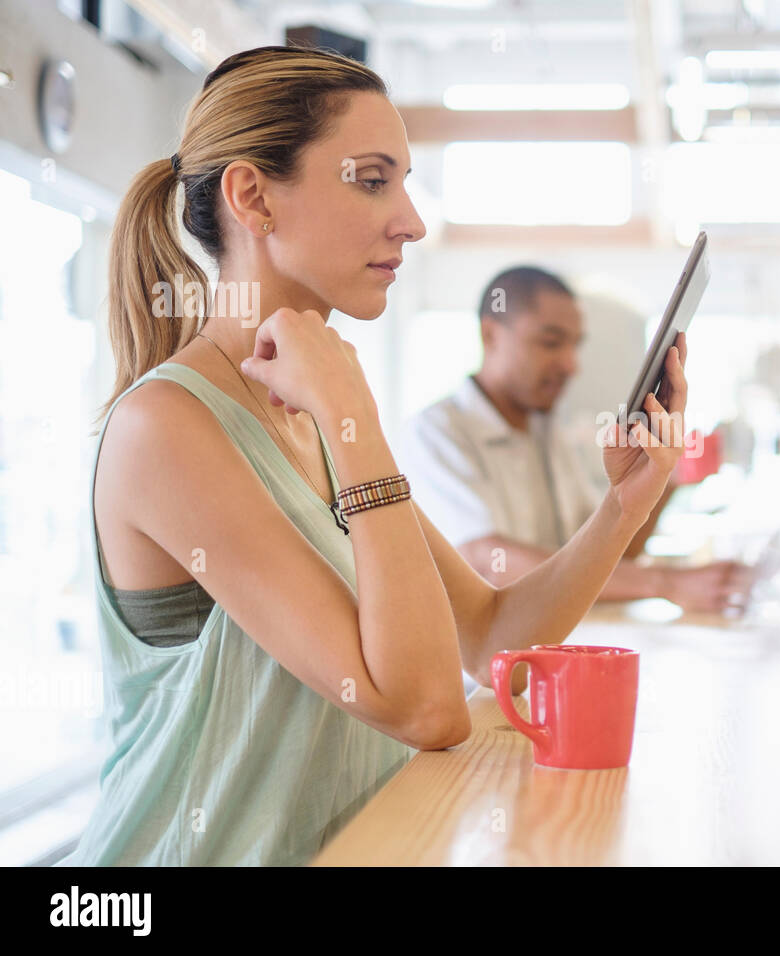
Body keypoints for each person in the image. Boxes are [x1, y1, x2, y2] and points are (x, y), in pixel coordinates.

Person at [61, 45, 693, 866]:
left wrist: (625, 508)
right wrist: (351, 410)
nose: (412, 219)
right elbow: (428, 708)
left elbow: (495, 636)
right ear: (253, 197)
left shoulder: (316, 415)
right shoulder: (167, 428)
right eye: (371, 179)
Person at [398, 265, 753, 614]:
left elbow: (606, 555)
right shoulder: (434, 432)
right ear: (490, 335)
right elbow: (489, 562)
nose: (570, 365)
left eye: (574, 346)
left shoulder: (547, 431)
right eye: (551, 342)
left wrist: (664, 476)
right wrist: (667, 584)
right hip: (478, 669)